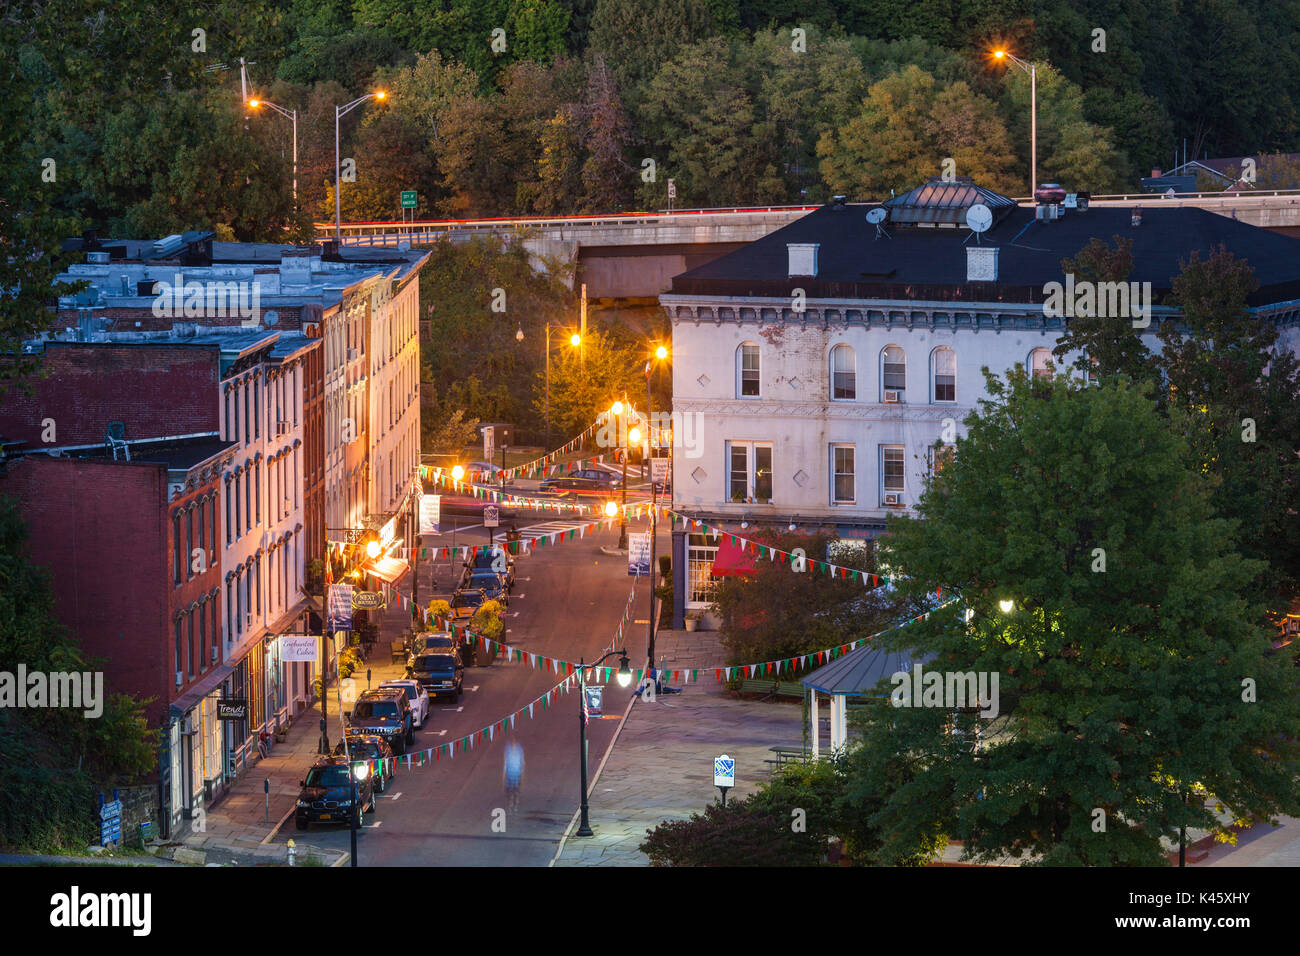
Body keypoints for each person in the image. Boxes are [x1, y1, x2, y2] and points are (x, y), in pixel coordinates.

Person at [503, 741, 524, 811]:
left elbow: (523, 761)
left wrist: (522, 773)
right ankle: (511, 804)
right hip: (510, 774)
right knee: (510, 790)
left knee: (516, 790)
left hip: (517, 773)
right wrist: (504, 774)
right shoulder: (508, 748)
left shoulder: (519, 749)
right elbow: (505, 762)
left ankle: (515, 804)